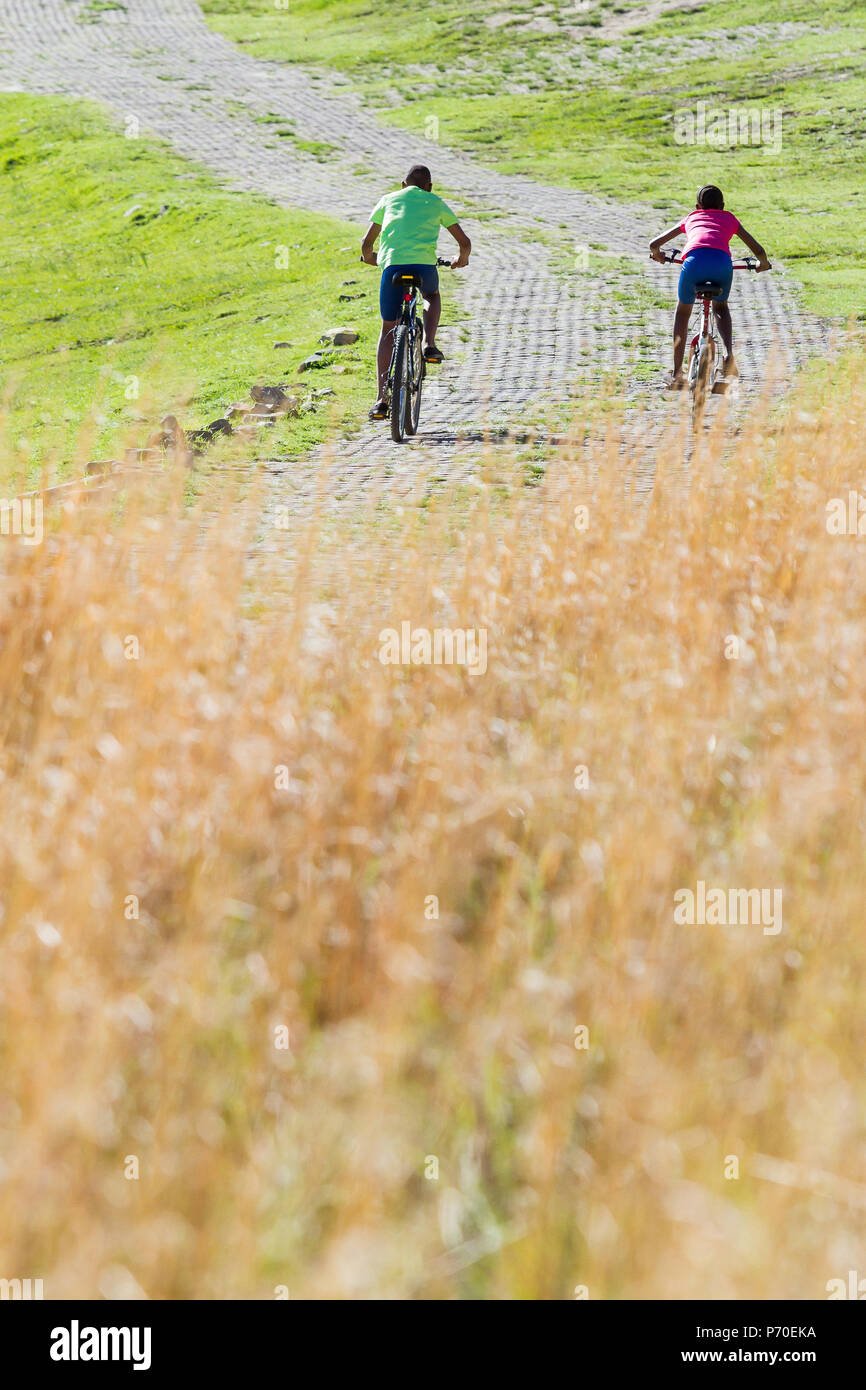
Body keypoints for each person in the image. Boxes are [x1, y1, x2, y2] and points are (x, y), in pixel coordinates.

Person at [360, 164, 472, 419]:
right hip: (424, 267)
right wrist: (460, 259)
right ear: (429, 187)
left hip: (392, 268)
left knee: (388, 326)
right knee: (431, 296)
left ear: (403, 185)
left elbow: (366, 243)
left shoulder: (388, 200)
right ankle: (429, 344)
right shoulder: (435, 201)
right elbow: (464, 242)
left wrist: (370, 258)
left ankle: (380, 400)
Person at [649, 185, 771, 389]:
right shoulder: (729, 218)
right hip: (722, 265)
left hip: (694, 264)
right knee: (720, 307)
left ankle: (677, 372)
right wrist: (762, 264)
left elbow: (654, 243)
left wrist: (659, 254)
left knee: (682, 312)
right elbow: (758, 249)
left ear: (697, 207)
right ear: (722, 206)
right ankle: (728, 356)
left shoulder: (691, 217)